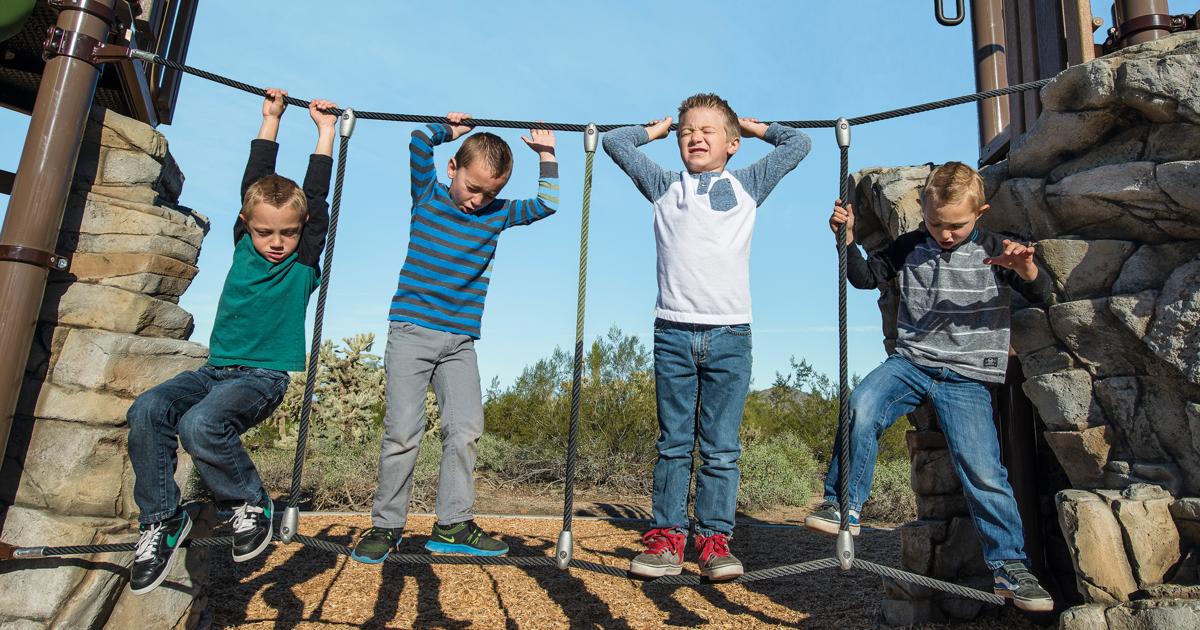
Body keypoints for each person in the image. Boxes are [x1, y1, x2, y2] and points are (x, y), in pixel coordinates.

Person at [804, 161, 1055, 612]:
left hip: (967, 378)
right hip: (912, 362)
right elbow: (863, 279)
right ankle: (843, 506)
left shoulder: (998, 251)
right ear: (922, 210)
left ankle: (1011, 566)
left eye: (956, 225)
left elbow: (1043, 296)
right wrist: (845, 241)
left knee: (982, 469)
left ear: (981, 212)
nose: (944, 233)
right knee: (861, 406)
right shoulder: (909, 247)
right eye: (935, 223)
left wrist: (1029, 270)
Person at [126, 88, 336, 594]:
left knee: (201, 425)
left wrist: (325, 134)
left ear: (302, 230)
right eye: (266, 232)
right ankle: (160, 519)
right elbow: (254, 182)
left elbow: (317, 196)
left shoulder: (303, 261)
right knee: (148, 409)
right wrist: (270, 121)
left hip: (261, 377)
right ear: (247, 227)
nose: (277, 242)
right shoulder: (244, 246)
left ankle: (247, 502)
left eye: (287, 232)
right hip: (213, 372)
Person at [603, 93, 810, 580]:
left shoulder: (749, 184)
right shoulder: (663, 185)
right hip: (672, 331)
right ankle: (666, 538)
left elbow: (799, 143)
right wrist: (653, 132)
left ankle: (714, 541)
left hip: (730, 334)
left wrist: (758, 130)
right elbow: (614, 142)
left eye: (707, 130)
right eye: (685, 130)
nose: (694, 136)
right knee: (674, 441)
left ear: (732, 144)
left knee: (720, 446)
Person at [351, 113, 559, 563]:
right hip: (410, 331)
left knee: (465, 430)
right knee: (403, 433)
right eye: (473, 187)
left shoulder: (498, 215)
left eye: (491, 193)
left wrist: (547, 155)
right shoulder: (426, 196)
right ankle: (386, 526)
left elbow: (547, 204)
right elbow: (417, 141)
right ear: (453, 170)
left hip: (460, 341)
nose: (479, 200)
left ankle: (451, 524)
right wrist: (451, 130)